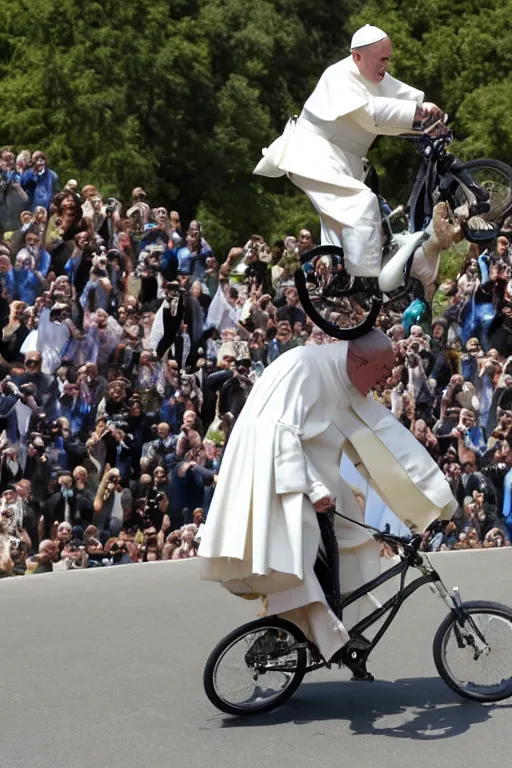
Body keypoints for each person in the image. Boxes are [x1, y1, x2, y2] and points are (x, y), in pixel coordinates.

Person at [199, 329, 456, 675]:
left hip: (317, 483)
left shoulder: (340, 374)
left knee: (355, 541)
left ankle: (343, 640)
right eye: (381, 372)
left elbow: (384, 438)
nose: (383, 380)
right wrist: (313, 488)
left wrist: (431, 502)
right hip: (283, 481)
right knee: (302, 559)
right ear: (359, 361)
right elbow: (278, 430)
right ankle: (305, 636)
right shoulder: (305, 366)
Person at [253, 24, 444, 278]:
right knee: (361, 204)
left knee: (366, 216)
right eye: (381, 59)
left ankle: (341, 274)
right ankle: (368, 277)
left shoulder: (376, 76)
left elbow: (402, 99)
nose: (385, 65)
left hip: (344, 161)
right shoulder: (338, 76)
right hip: (313, 154)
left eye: (387, 59)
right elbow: (370, 114)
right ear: (357, 56)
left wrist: (427, 110)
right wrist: (416, 113)